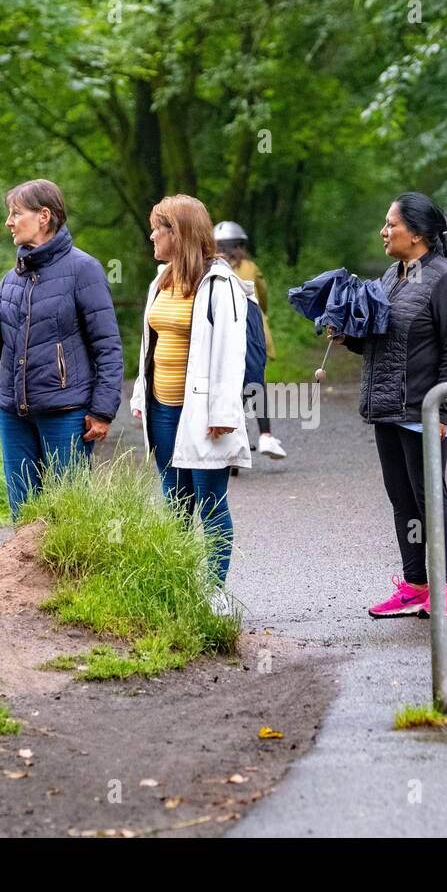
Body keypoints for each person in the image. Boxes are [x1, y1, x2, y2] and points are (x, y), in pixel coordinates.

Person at [0, 179, 123, 520]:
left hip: (65, 410)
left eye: (15, 213)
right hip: (13, 411)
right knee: (25, 512)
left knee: (69, 514)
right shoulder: (11, 278)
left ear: (44, 216)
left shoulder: (83, 270)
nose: (8, 222)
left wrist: (103, 411)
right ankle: (26, 577)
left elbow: (108, 347)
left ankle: (73, 575)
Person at [334, 193, 447, 619]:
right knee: (402, 499)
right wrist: (346, 336)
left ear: (415, 233)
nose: (384, 231)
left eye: (391, 224)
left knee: (430, 497)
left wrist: (444, 413)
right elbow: (380, 341)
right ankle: (414, 586)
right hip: (386, 407)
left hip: (424, 411)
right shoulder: (391, 277)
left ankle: (445, 589)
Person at [130, 195, 251, 598]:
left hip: (201, 413)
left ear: (177, 233)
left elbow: (231, 353)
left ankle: (214, 593)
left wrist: (224, 412)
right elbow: (150, 344)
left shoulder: (220, 283)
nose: (151, 235)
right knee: (173, 498)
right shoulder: (161, 280)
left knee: (210, 500)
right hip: (162, 409)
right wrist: (140, 394)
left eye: (157, 228)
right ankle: (179, 588)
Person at [214, 220, 287, 464]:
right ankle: (266, 434)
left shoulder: (211, 268)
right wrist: (261, 315)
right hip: (251, 333)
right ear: (240, 245)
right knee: (256, 383)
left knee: (228, 387)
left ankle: (231, 438)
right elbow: (262, 296)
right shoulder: (250, 268)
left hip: (223, 335)